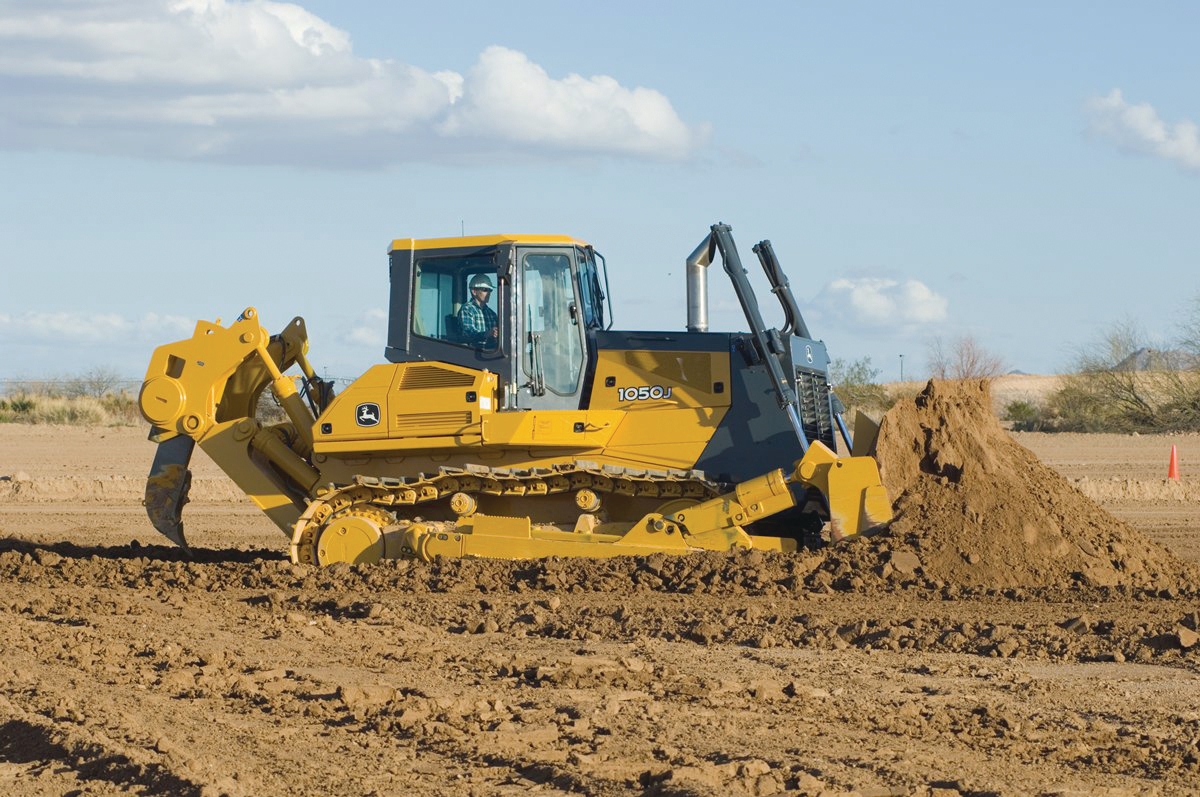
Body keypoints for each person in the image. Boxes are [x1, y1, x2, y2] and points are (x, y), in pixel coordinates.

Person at [457, 273, 498, 347]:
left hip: (490, 351)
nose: (488, 293)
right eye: (485, 290)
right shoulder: (467, 309)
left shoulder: (492, 314)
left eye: (490, 290)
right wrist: (487, 334)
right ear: (474, 291)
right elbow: (468, 333)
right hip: (472, 351)